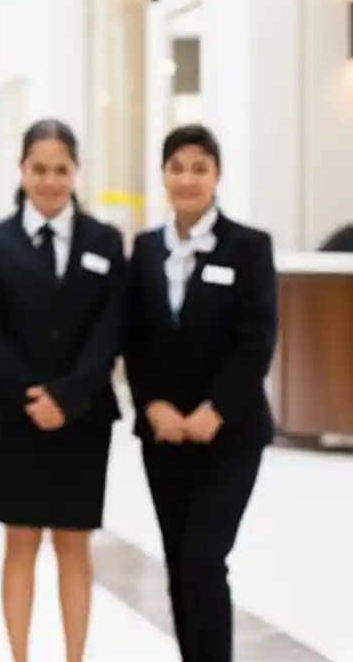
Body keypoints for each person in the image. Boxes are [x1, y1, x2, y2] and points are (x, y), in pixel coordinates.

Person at [0, 120, 127, 662]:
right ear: (22, 171)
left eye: (61, 169)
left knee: (73, 546)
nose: (50, 180)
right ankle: (19, 656)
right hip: (17, 415)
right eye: (40, 169)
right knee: (20, 544)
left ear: (75, 173)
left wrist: (68, 396)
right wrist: (33, 397)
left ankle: (74, 657)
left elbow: (110, 331)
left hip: (83, 416)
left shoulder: (104, 241)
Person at [124, 124, 277, 661]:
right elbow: (135, 337)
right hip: (164, 435)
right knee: (177, 560)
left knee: (204, 557)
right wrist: (153, 405)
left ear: (217, 175)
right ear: (164, 174)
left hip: (230, 433)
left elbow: (257, 341)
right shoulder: (144, 250)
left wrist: (216, 409)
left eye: (199, 168)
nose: (187, 179)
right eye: (177, 167)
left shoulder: (249, 248)